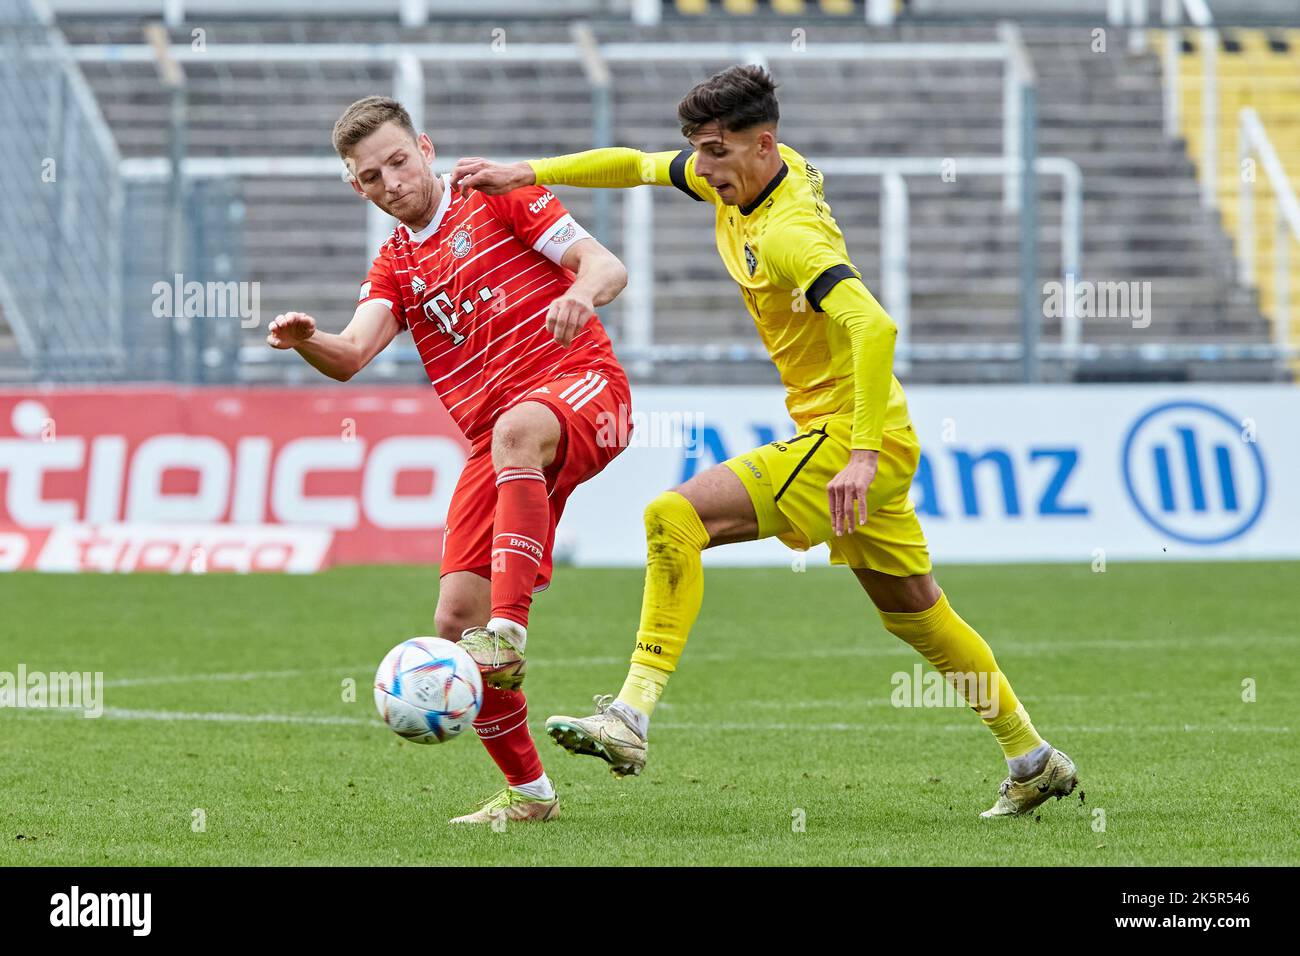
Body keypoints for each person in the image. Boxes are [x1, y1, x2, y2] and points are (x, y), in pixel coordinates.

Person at [450, 67, 1078, 818]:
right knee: (917, 613)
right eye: (698, 151)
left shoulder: (788, 234)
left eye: (714, 151)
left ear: (763, 144)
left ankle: (630, 715)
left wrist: (862, 454)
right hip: (859, 433)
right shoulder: (735, 176)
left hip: (848, 436)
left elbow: (874, 326)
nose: (701, 169)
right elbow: (638, 164)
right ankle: (1031, 757)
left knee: (671, 518)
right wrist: (529, 171)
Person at [269, 96, 633, 824]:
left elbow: (605, 264)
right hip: (496, 443)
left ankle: (511, 631)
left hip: (584, 389)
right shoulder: (395, 264)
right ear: (357, 189)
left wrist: (582, 297)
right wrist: (307, 336)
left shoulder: (497, 196)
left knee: (514, 439)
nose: (392, 182)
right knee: (452, 623)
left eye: (399, 161)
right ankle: (531, 796)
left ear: (426, 148)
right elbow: (350, 355)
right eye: (372, 177)